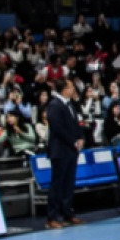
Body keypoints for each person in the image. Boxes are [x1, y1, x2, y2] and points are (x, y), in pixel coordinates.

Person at [47, 78, 84, 228]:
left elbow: (76, 124)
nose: (73, 89)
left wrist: (80, 137)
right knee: (58, 185)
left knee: (69, 184)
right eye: (71, 87)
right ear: (64, 89)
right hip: (60, 150)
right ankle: (52, 218)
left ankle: (68, 214)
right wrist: (73, 141)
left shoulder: (70, 105)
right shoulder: (55, 105)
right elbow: (58, 128)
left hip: (71, 150)